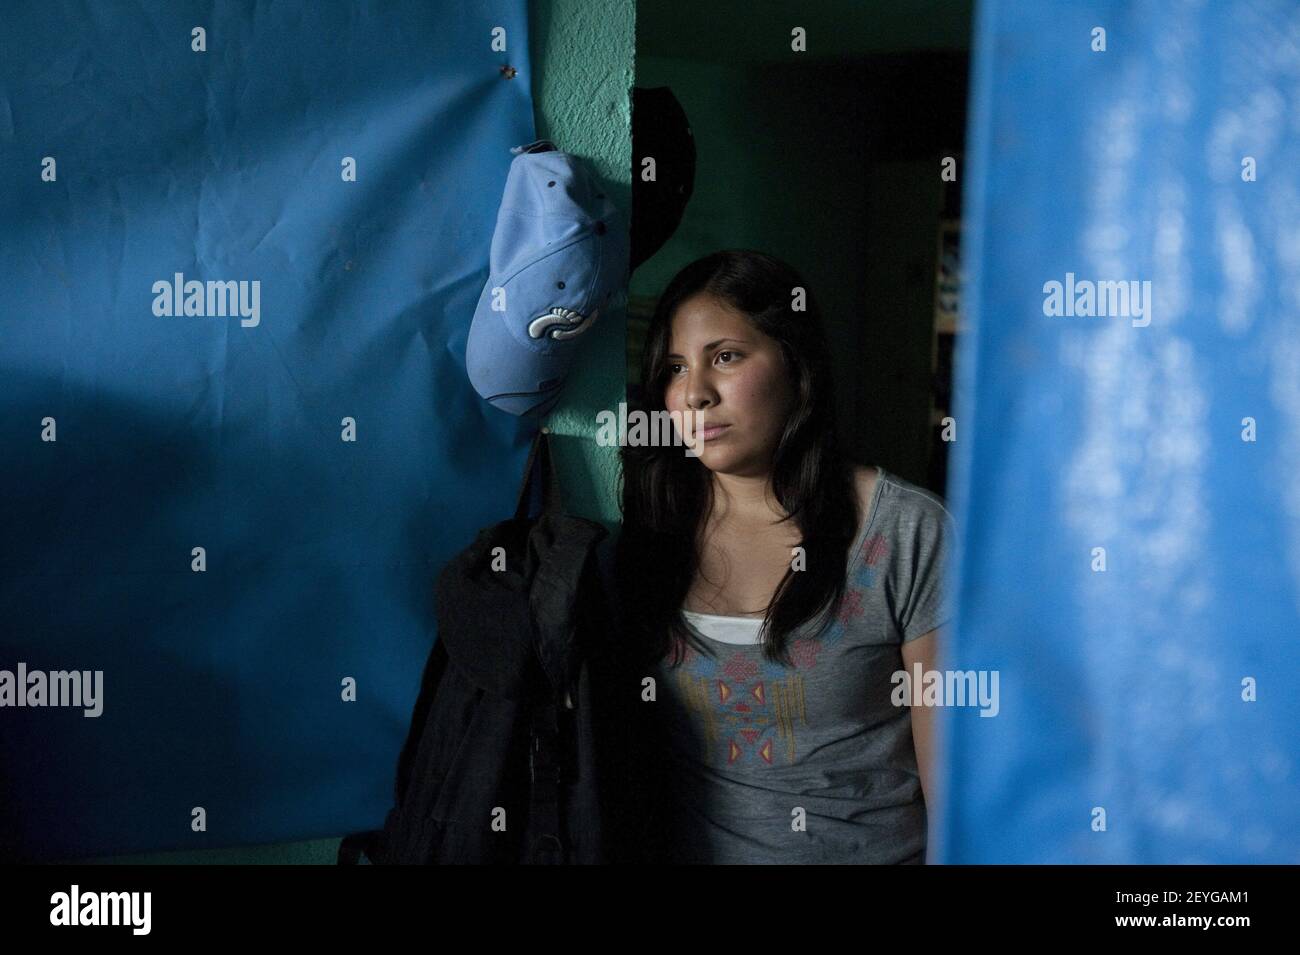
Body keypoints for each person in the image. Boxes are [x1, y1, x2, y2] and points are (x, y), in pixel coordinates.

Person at [614, 249, 955, 864]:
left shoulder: (908, 531)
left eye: (726, 357)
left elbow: (954, 794)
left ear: (795, 366)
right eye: (673, 367)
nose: (694, 393)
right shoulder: (652, 529)